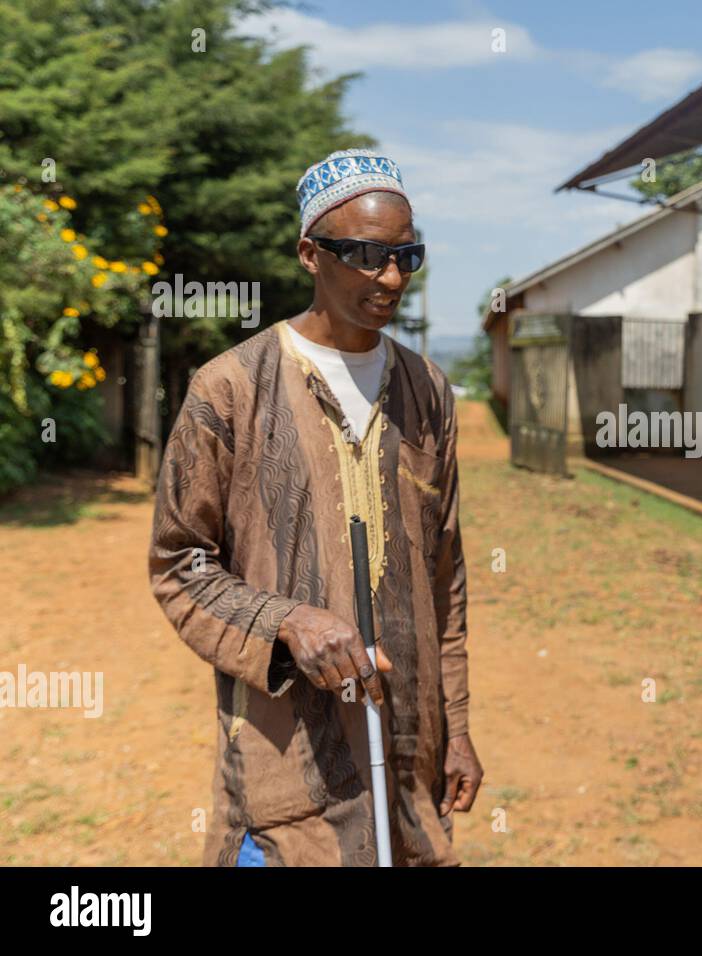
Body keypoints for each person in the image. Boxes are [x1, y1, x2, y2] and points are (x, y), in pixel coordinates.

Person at [149, 148, 483, 866]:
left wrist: (453, 728)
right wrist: (286, 622)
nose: (390, 277)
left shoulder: (428, 391)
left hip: (408, 757)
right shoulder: (230, 389)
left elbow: (446, 577)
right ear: (309, 253)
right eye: (364, 255)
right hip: (286, 768)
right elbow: (180, 564)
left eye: (406, 256)